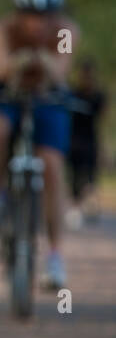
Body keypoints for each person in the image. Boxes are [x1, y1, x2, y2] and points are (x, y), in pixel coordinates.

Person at [0, 0, 76, 289]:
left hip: (49, 97)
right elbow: (1, 68)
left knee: (52, 164)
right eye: (30, 15)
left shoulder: (67, 32)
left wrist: (41, 59)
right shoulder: (1, 29)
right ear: (18, 14)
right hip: (7, 94)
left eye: (45, 16)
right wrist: (28, 61)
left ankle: (55, 258)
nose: (37, 23)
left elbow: (60, 73)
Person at [67, 58, 105, 226]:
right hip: (74, 141)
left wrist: (103, 148)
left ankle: (89, 203)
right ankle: (76, 207)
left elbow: (103, 120)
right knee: (74, 176)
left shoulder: (99, 97)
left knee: (90, 176)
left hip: (91, 142)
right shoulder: (73, 94)